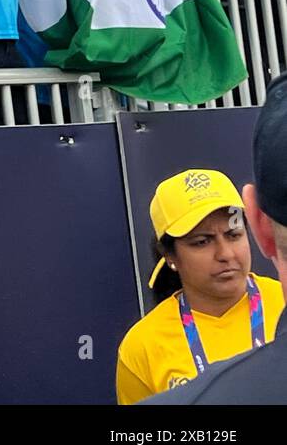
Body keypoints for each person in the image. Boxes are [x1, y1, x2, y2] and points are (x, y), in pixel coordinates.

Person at [117, 167, 285, 403]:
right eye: (202, 242)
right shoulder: (142, 346)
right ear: (169, 255)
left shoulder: (282, 301)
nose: (225, 254)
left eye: (233, 235)